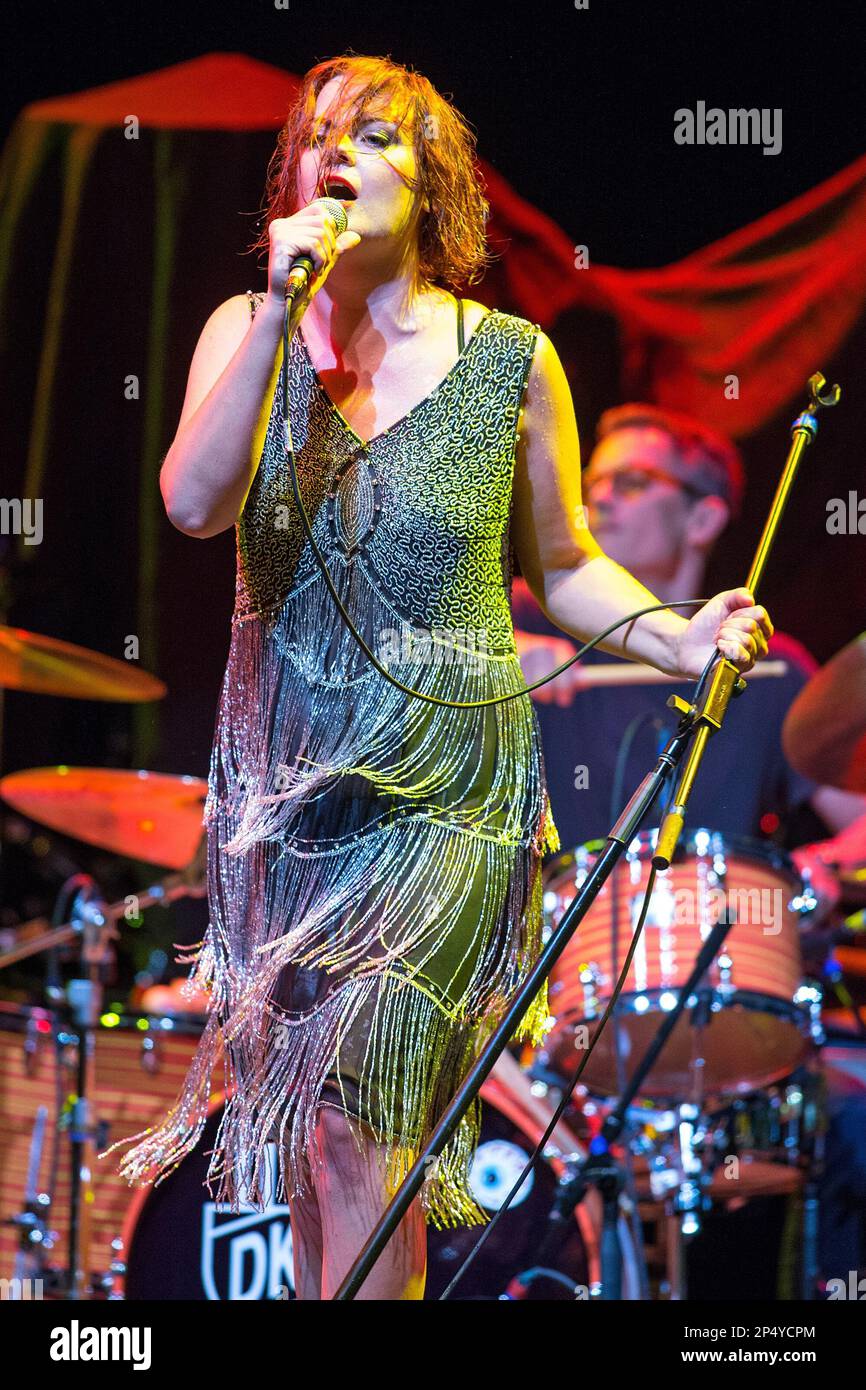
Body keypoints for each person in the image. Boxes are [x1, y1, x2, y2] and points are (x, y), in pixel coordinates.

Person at [104, 55, 770, 1301]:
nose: (345, 154)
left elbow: (562, 566)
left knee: (362, 1119)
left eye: (380, 136)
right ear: (291, 179)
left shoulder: (510, 359)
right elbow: (193, 502)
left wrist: (675, 637)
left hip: (443, 804)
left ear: (431, 182)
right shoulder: (242, 332)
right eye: (318, 138)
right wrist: (281, 304)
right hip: (286, 804)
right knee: (313, 1150)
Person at [513, 403, 866, 858]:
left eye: (632, 482)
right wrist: (487, 659)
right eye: (591, 482)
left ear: (702, 520)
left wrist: (815, 871)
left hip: (711, 923)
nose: (597, 498)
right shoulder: (526, 613)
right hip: (549, 923)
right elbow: (396, 647)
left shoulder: (768, 668)